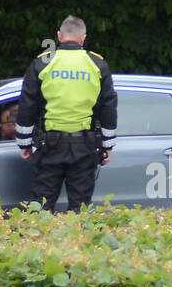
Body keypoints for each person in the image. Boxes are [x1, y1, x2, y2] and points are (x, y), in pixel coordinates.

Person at [14, 15, 118, 212]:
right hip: (85, 147)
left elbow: (28, 105)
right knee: (80, 209)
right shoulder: (97, 64)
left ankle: (37, 241)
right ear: (83, 38)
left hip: (49, 146)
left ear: (59, 36)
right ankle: (78, 241)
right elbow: (108, 106)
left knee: (40, 208)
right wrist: (108, 146)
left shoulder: (42, 63)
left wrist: (24, 144)